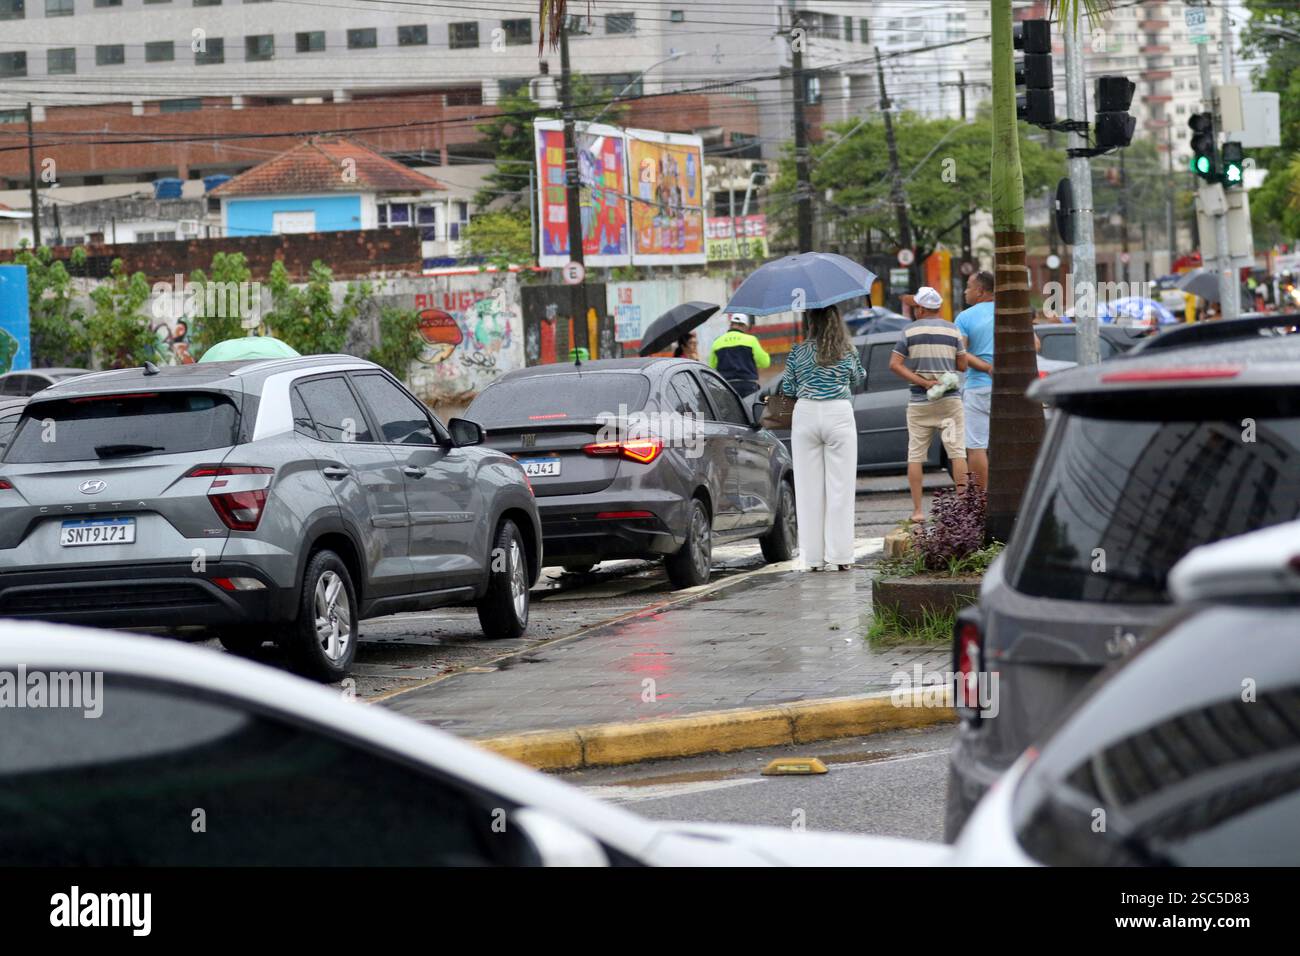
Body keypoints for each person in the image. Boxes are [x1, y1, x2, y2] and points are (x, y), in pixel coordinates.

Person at [778, 304, 865, 572]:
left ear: (810, 322)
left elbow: (788, 388)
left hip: (805, 415)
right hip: (839, 413)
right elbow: (858, 378)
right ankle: (840, 557)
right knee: (840, 489)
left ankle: (813, 559)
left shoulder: (798, 351)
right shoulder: (847, 350)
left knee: (808, 489)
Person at [889, 286, 969, 523]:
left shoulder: (909, 331)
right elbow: (962, 365)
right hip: (949, 401)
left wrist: (922, 381)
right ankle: (965, 508)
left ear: (921, 308)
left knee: (915, 455)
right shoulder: (953, 330)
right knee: (957, 453)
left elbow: (895, 364)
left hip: (919, 403)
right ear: (938, 308)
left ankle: (917, 511)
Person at [954, 271, 995, 490]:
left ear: (980, 291)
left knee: (977, 447)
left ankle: (980, 501)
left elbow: (960, 353)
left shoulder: (965, 317)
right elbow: (1034, 344)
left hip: (978, 388)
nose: (965, 291)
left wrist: (987, 367)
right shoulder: (1010, 312)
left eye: (969, 286)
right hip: (1010, 391)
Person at [708, 313, 770, 397]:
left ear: (731, 325)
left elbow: (711, 367)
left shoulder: (717, 342)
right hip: (748, 385)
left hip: (726, 386)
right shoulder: (751, 340)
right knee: (750, 409)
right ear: (745, 326)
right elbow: (765, 362)